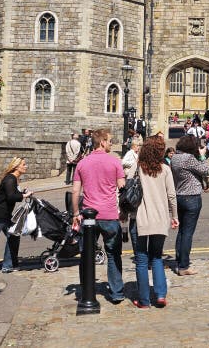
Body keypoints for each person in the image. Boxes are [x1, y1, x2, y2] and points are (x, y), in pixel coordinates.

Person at [71, 129, 126, 303]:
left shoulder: (83, 163)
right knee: (113, 255)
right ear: (102, 141)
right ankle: (116, 293)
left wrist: (75, 213)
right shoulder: (115, 161)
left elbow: (75, 191)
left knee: (86, 255)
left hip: (89, 216)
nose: (111, 143)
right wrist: (123, 211)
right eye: (110, 140)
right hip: (109, 215)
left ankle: (85, 291)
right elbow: (122, 187)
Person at [130, 137, 179, 309]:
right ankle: (160, 295)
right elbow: (172, 195)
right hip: (160, 218)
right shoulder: (165, 169)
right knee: (157, 257)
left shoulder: (137, 169)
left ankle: (144, 301)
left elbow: (127, 189)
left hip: (140, 219)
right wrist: (175, 216)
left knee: (142, 260)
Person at [170, 135, 209, 276]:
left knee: (182, 232)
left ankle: (179, 261)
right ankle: (184, 266)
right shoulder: (189, 158)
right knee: (187, 232)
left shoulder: (175, 157)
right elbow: (206, 170)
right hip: (191, 196)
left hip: (179, 195)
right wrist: (202, 156)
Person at [0, 158, 33, 274]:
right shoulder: (10, 178)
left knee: (14, 236)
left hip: (6, 215)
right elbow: (11, 196)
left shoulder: (14, 179)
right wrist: (24, 195)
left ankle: (8, 265)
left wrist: (22, 193)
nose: (26, 166)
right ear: (16, 167)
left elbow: (12, 194)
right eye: (24, 164)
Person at [121, 134, 143, 254]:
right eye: (138, 145)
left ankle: (126, 234)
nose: (139, 147)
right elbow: (123, 162)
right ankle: (125, 234)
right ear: (134, 146)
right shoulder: (130, 153)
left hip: (133, 179)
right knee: (129, 213)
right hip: (130, 179)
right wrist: (133, 165)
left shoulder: (135, 154)